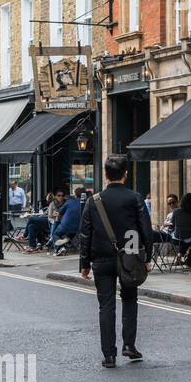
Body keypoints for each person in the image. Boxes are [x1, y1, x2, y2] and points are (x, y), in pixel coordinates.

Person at [78, 154, 154, 369]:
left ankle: (109, 355)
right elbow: (145, 230)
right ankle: (129, 344)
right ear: (126, 174)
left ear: (105, 175)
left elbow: (85, 233)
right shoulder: (135, 198)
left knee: (106, 306)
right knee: (129, 299)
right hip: (130, 257)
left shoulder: (95, 201)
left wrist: (84, 263)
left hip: (101, 259)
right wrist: (148, 257)